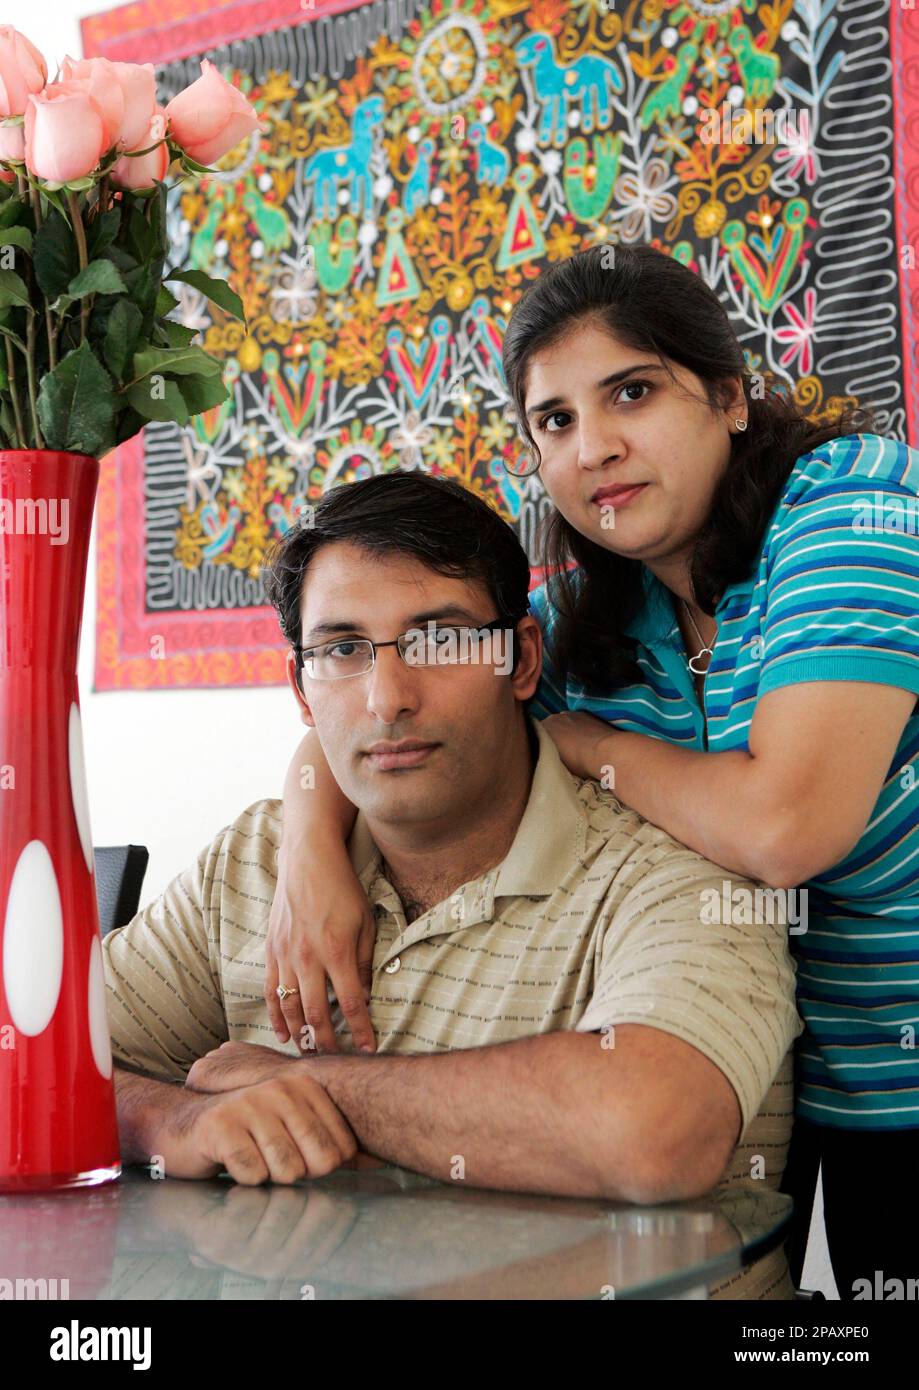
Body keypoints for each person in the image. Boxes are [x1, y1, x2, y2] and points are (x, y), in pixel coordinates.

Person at [267, 245, 919, 1300]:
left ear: (727, 396)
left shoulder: (848, 503)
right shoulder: (586, 616)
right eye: (555, 421)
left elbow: (788, 824)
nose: (596, 447)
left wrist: (592, 748)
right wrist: (311, 858)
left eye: (632, 391)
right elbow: (387, 697)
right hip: (795, 1077)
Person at [102, 470, 801, 1299]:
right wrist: (169, 1118)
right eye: (342, 650)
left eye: (439, 639)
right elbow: (24, 1063)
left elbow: (651, 1136)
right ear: (299, 688)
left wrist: (305, 1087)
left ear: (520, 660)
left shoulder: (671, 871)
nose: (388, 698)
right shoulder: (257, 862)